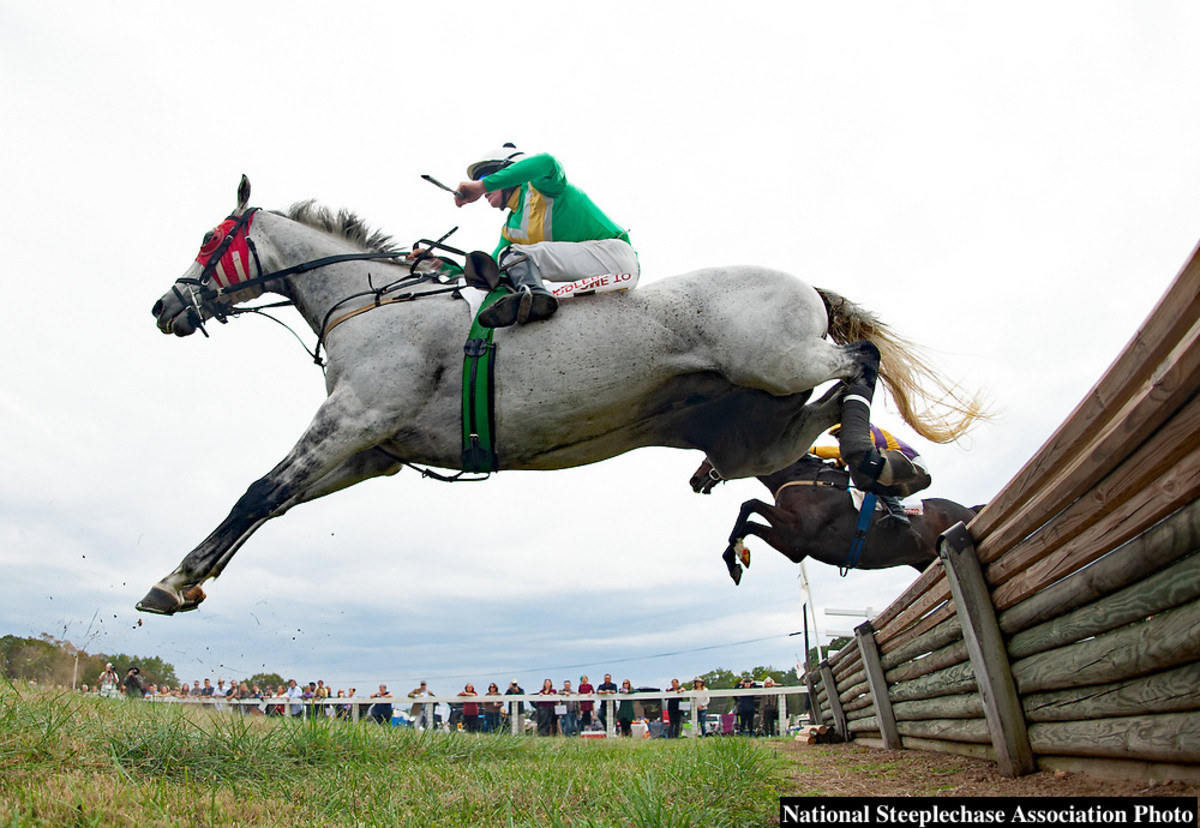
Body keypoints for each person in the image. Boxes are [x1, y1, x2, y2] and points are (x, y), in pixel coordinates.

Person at [454, 144, 639, 329]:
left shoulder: (543, 187)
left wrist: (480, 186)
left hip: (614, 256)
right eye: (481, 180)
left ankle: (535, 297)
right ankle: (533, 297)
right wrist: (435, 265)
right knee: (506, 259)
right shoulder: (510, 228)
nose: (485, 191)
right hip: (592, 271)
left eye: (487, 177)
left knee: (511, 253)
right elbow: (485, 272)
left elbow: (546, 162)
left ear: (511, 175)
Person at [813, 424, 931, 527]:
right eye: (836, 437)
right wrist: (837, 464)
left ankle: (897, 512)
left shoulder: (866, 433)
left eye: (840, 434)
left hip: (912, 467)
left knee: (871, 473)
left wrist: (810, 450)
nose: (839, 439)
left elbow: (848, 452)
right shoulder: (861, 437)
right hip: (900, 467)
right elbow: (848, 456)